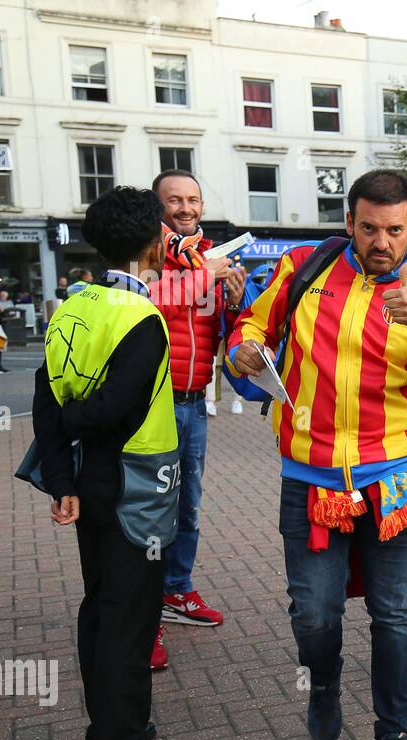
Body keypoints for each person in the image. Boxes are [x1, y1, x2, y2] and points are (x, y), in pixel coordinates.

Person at [227, 169, 407, 740]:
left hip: (395, 479)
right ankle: (323, 682)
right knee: (313, 614)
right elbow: (252, 328)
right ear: (350, 224)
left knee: (395, 615)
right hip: (309, 478)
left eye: (394, 231)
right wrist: (243, 349)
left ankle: (396, 733)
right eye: (368, 228)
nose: (381, 242)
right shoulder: (301, 271)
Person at [31, 185, 201, 740]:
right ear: (156, 243)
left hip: (87, 482)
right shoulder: (142, 316)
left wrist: (60, 479)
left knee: (100, 608)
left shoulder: (71, 308)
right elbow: (114, 408)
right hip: (135, 486)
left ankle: (110, 726)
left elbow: (45, 404)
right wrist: (82, 423)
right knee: (129, 616)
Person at [150, 168, 248, 651]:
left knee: (188, 504)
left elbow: (220, 331)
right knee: (150, 510)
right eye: (175, 200)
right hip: (152, 405)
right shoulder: (149, 252)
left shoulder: (209, 258)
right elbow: (148, 299)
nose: (185, 208)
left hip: (193, 403)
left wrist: (234, 299)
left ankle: (176, 589)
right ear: (158, 207)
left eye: (193, 199)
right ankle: (144, 614)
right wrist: (201, 277)